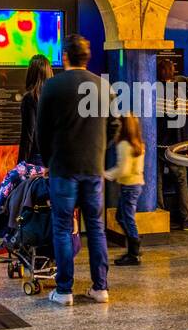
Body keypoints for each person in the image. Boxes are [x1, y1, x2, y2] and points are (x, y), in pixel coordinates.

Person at [36, 35, 112, 305]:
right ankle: (100, 288)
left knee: (62, 227)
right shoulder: (103, 86)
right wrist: (99, 151)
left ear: (65, 56)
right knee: (96, 227)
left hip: (63, 168)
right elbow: (115, 126)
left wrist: (48, 161)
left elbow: (41, 130)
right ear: (86, 57)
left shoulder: (53, 86)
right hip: (93, 168)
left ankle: (65, 290)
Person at [156, 58, 188, 230]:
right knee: (182, 182)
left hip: (158, 144)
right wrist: (185, 146)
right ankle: (187, 219)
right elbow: (183, 123)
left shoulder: (154, 92)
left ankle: (160, 215)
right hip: (176, 145)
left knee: (157, 181)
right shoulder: (181, 94)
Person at [106, 112, 147, 266]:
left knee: (127, 218)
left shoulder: (124, 145)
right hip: (136, 184)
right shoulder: (138, 144)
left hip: (129, 186)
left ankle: (134, 252)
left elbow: (123, 169)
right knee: (122, 217)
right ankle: (134, 244)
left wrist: (106, 174)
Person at [17, 54, 52, 165]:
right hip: (54, 158)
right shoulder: (55, 96)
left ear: (31, 73)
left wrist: (20, 165)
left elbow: (28, 136)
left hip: (37, 159)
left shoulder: (30, 98)